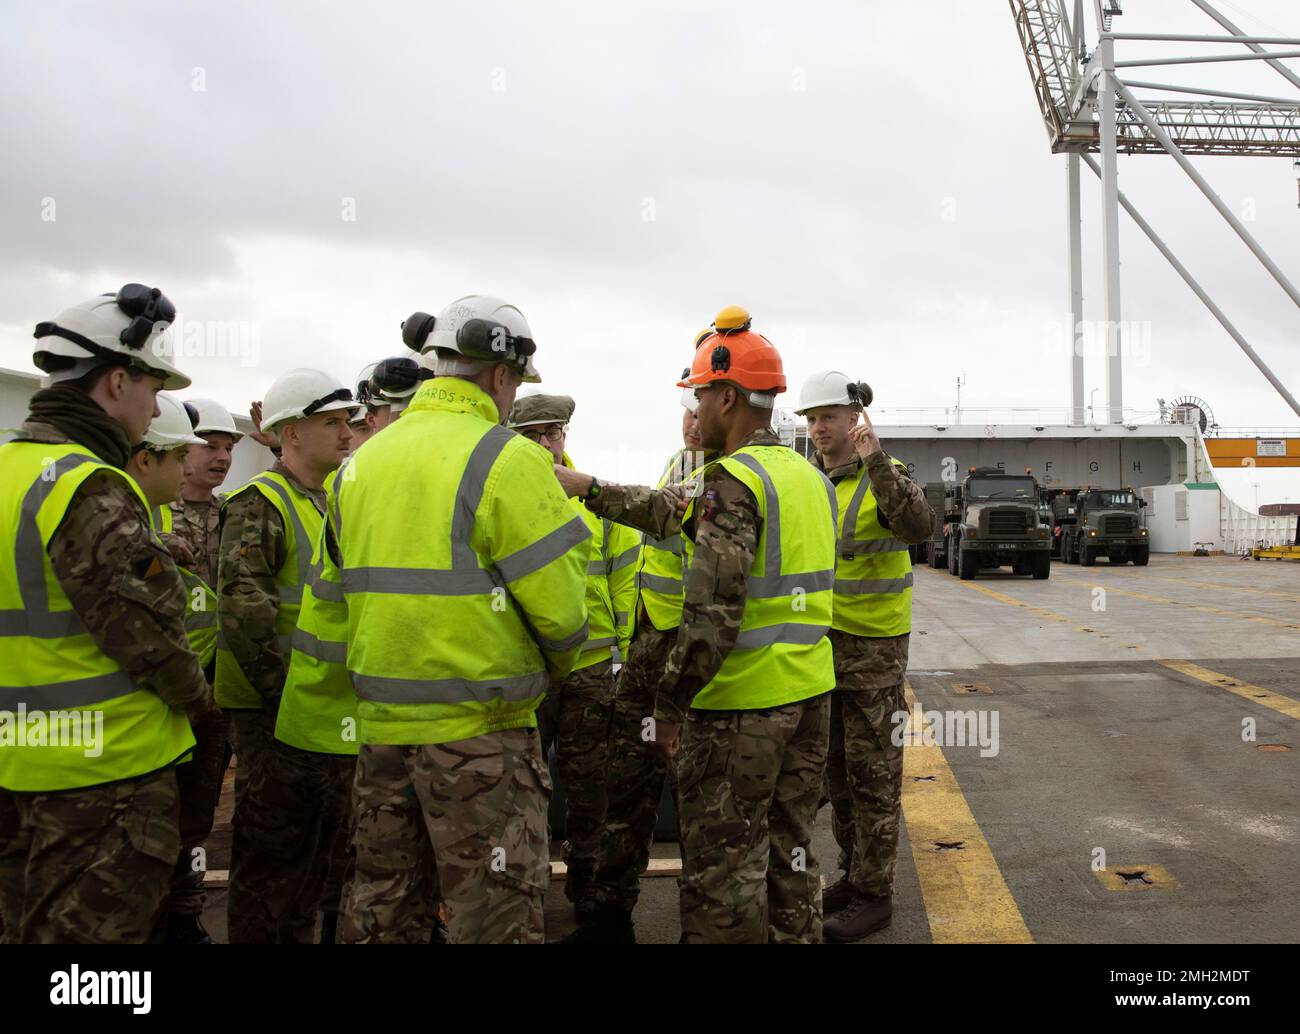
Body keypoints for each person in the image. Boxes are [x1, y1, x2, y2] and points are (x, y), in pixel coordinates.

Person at [557, 307, 838, 943]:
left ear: (729, 397)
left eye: (702, 395)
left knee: (722, 869)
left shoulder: (730, 482)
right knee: (791, 854)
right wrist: (589, 486)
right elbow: (672, 514)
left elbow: (714, 613)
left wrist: (673, 704)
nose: (696, 409)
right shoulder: (806, 478)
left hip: (740, 706)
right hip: (810, 698)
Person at [337, 296, 589, 944]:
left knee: (389, 919)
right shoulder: (508, 460)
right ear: (502, 376)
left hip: (381, 739)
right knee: (495, 923)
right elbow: (563, 618)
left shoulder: (361, 465)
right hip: (482, 745)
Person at [0, 285, 207, 943]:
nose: (155, 408)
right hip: (103, 779)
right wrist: (197, 696)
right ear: (117, 381)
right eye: (152, 388)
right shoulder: (87, 484)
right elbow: (146, 635)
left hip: (19, 763)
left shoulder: (11, 471)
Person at [559, 356, 718, 944]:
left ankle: (702, 926)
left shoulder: (728, 475)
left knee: (700, 799)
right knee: (626, 784)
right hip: (652, 644)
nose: (691, 423)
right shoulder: (681, 463)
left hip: (694, 651)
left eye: (699, 409)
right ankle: (607, 916)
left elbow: (668, 513)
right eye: (686, 411)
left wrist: (589, 487)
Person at [215, 368, 357, 943]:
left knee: (315, 862)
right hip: (273, 714)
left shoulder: (329, 502)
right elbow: (245, 615)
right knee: (272, 864)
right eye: (332, 424)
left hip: (317, 714)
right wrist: (283, 703)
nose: (347, 434)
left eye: (348, 422)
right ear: (291, 433)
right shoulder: (261, 502)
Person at [795, 370, 934, 941]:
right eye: (812, 418)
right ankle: (855, 875)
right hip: (825, 651)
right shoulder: (815, 485)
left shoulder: (887, 476)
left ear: (856, 421)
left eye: (829, 416)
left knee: (874, 777)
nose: (819, 427)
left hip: (873, 653)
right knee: (841, 777)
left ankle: (877, 895)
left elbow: (919, 527)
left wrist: (876, 459)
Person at [507, 393, 638, 919]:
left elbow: (628, 581)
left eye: (553, 433)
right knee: (519, 786)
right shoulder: (500, 500)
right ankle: (521, 886)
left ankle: (584, 884)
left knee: (590, 789)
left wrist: (624, 658)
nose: (545, 444)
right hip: (525, 674)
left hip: (590, 672)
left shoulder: (596, 501)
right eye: (533, 434)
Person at [127, 394, 227, 944]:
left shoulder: (233, 510)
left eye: (228, 447)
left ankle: (185, 910)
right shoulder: (139, 516)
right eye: (207, 446)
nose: (219, 457)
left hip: (209, 684)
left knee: (195, 814)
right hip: (161, 691)